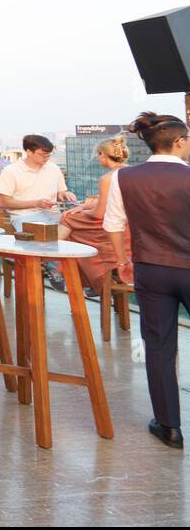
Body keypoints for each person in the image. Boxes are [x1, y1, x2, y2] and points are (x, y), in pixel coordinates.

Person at [103, 112, 190, 449]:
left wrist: (123, 262)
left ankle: (169, 427)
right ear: (180, 142)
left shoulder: (125, 179)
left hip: (150, 268)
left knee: (159, 347)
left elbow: (112, 225)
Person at [56, 135, 132, 293]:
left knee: (68, 218)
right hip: (130, 224)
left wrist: (83, 209)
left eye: (98, 155)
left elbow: (99, 214)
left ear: (103, 155)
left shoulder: (107, 178)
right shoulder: (134, 172)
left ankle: (52, 259)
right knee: (72, 219)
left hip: (113, 224)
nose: (98, 159)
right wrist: (86, 206)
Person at [0, 134, 76, 222]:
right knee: (40, 234)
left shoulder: (53, 168)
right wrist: (36, 204)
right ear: (29, 152)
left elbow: (60, 194)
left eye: (49, 155)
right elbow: (5, 203)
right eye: (43, 155)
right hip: (25, 216)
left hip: (52, 214)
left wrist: (66, 195)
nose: (47, 158)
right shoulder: (10, 171)